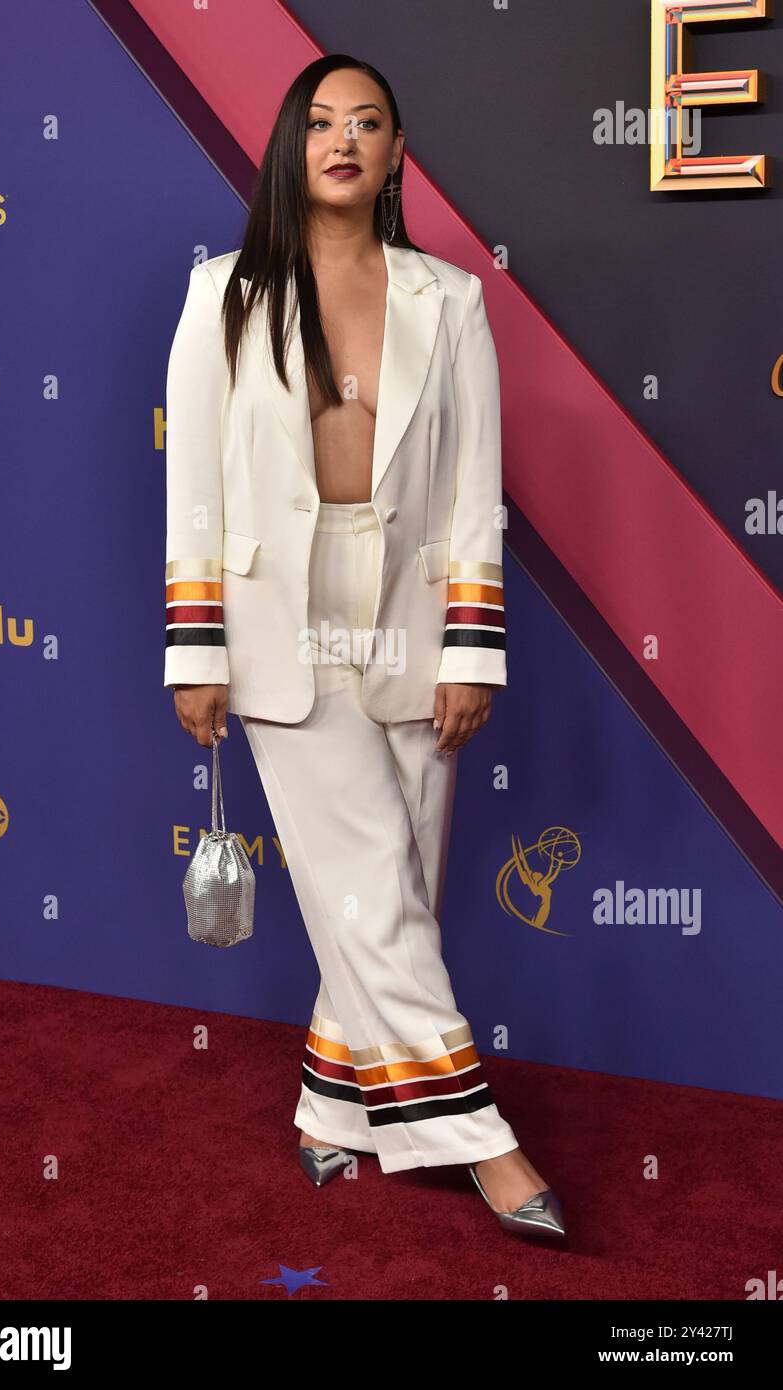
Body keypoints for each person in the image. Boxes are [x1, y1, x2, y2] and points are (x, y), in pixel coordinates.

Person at [164, 53, 564, 1240]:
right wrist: (196, 648)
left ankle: (331, 1108)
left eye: (368, 123)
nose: (342, 139)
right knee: (374, 889)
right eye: (321, 121)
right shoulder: (221, 294)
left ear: (396, 154)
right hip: (273, 617)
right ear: (290, 145)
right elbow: (193, 484)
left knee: (393, 881)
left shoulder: (450, 299)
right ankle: (484, 1143)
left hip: (411, 609)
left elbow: (471, 492)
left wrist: (469, 649)